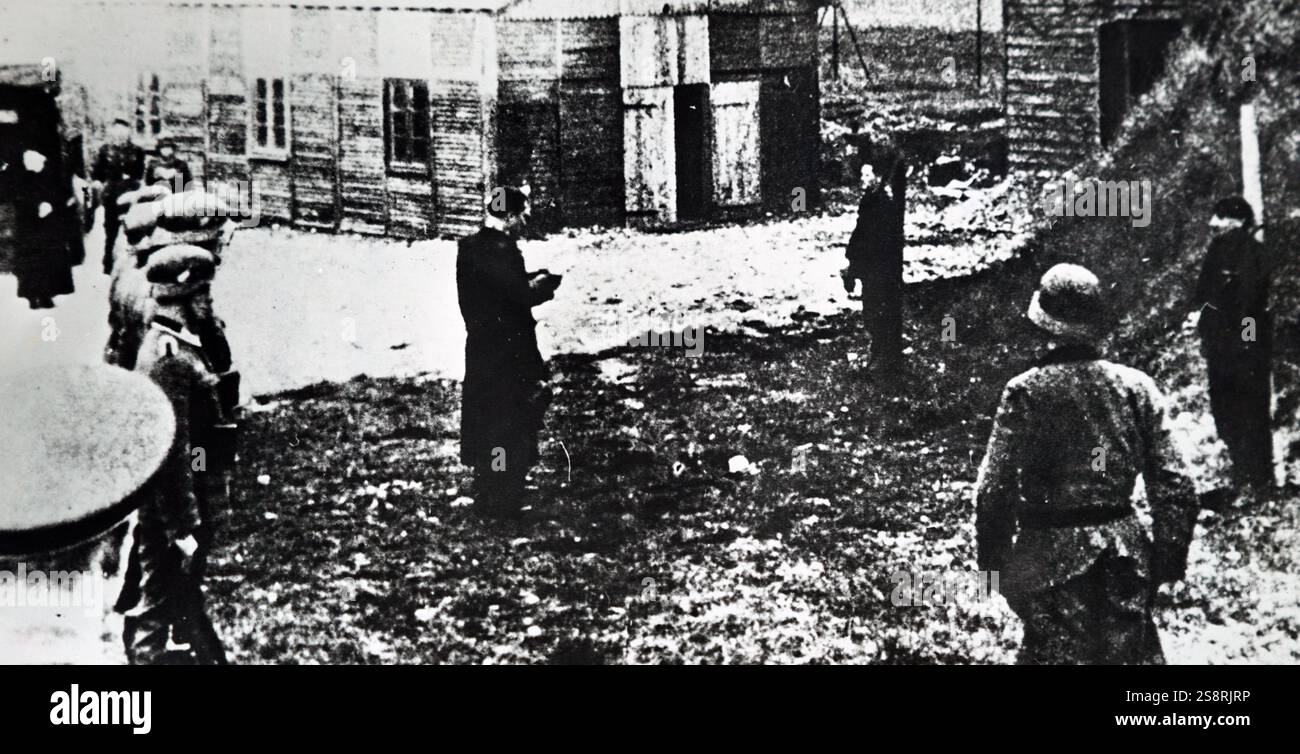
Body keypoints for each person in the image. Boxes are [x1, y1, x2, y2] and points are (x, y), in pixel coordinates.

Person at [975, 264, 1199, 664]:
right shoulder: (1136, 388)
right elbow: (1176, 484)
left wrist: (994, 568)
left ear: (1042, 327)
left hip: (1048, 559)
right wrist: (1166, 564)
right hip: (1125, 559)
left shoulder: (1025, 392)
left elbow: (994, 491)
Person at [115, 245, 230, 664]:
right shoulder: (168, 358)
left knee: (173, 598)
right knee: (158, 602)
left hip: (180, 502)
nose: (209, 303)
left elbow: (193, 446)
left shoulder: (175, 344)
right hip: (173, 510)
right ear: (187, 294)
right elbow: (174, 451)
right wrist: (184, 524)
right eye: (205, 295)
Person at [457, 187, 561, 520]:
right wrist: (545, 285)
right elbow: (518, 295)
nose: (525, 220)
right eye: (522, 214)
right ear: (510, 216)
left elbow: (498, 290)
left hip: (481, 349)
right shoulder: (502, 251)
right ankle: (503, 500)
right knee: (509, 423)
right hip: (509, 352)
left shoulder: (471, 248)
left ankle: (487, 490)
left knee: (487, 421)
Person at [1192, 196, 1274, 493]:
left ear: (1237, 221)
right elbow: (1206, 297)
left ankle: (1255, 480)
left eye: (1220, 217)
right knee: (1237, 412)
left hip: (1238, 352)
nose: (1213, 223)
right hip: (1229, 350)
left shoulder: (1250, 254)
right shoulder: (1223, 251)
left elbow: (1251, 306)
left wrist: (1246, 345)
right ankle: (1249, 478)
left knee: (1241, 412)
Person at [843, 148, 906, 378]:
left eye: (866, 174)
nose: (862, 179)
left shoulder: (881, 205)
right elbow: (860, 234)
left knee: (877, 312)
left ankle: (884, 359)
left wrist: (856, 264)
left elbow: (872, 239)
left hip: (878, 269)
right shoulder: (870, 201)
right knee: (871, 312)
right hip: (871, 268)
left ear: (877, 177)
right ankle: (878, 353)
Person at [12, 148, 75, 309]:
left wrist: (53, 205)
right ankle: (32, 296)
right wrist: (35, 208)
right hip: (29, 229)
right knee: (32, 262)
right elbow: (20, 200)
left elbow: (60, 195)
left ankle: (46, 294)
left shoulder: (48, 177)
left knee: (47, 260)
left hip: (47, 227)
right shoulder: (23, 179)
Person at [91, 117, 145, 274]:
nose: (120, 133)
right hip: (112, 196)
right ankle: (108, 264)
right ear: (113, 131)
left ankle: (134, 263)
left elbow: (139, 173)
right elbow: (98, 172)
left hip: (130, 194)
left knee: (133, 228)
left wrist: (132, 179)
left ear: (128, 132)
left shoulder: (137, 151)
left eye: (124, 129)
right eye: (117, 130)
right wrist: (97, 182)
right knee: (111, 231)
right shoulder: (105, 150)